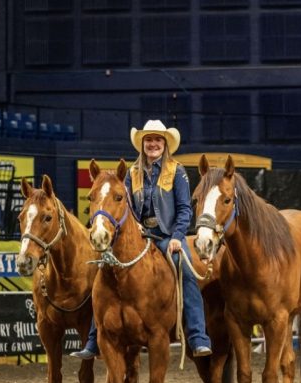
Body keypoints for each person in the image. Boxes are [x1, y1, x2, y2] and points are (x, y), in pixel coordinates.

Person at [73, 119, 212, 359]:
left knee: (184, 268)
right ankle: (94, 339)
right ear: (143, 144)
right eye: (149, 139)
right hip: (138, 234)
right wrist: (133, 223)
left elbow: (184, 209)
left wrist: (179, 236)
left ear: (165, 144)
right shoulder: (132, 173)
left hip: (168, 236)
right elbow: (125, 205)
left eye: (158, 139)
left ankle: (198, 335)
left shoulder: (176, 171)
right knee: (104, 268)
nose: (153, 144)